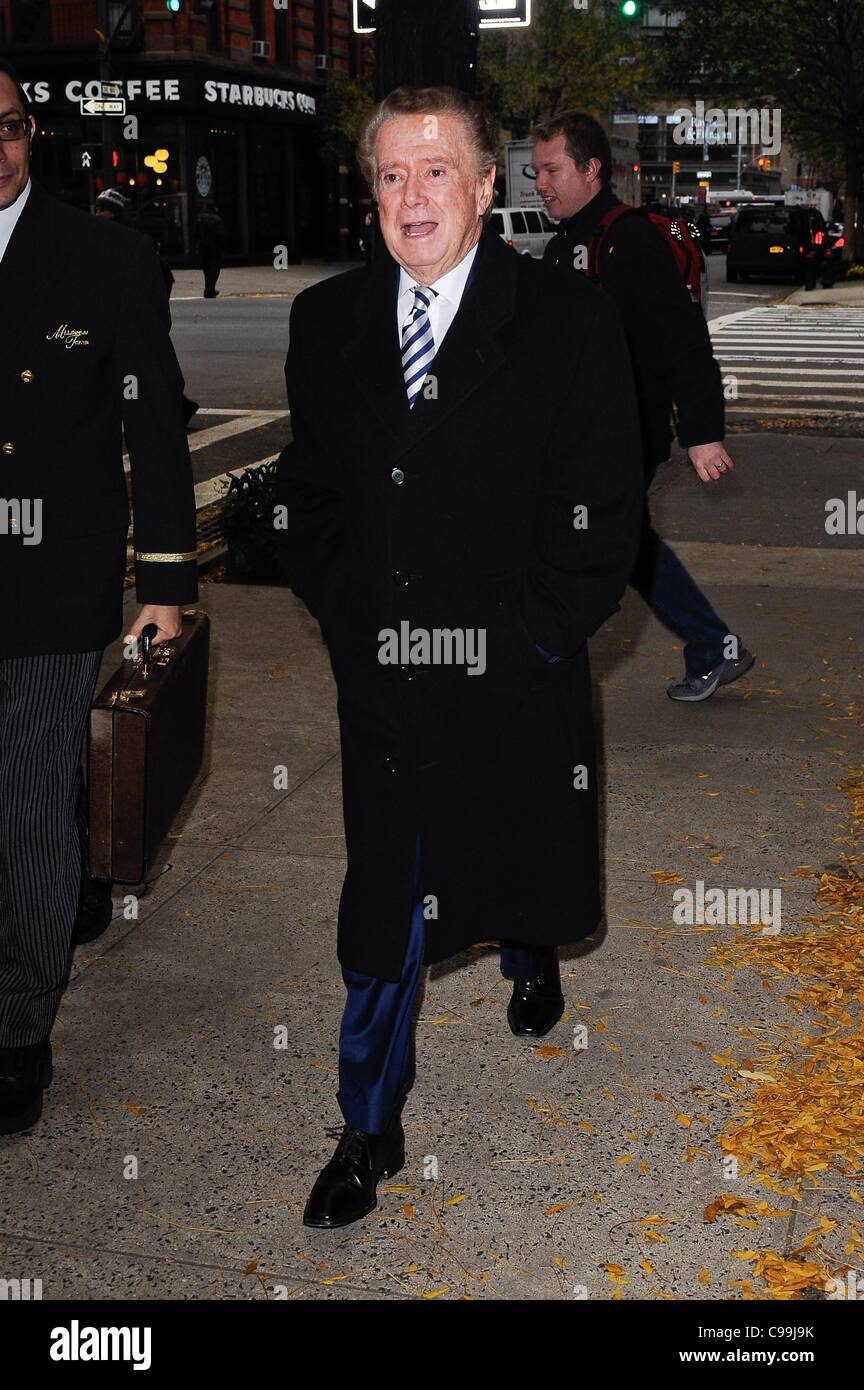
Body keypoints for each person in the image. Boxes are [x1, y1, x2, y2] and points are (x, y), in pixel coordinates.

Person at [275, 85, 643, 1229]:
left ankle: (529, 948)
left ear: (490, 186)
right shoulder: (325, 321)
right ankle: (367, 1124)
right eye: (391, 174)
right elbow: (311, 496)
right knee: (386, 905)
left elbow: (602, 518)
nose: (412, 195)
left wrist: (523, 638)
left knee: (517, 850)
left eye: (438, 170)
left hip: (511, 673)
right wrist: (345, 614)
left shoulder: (566, 322)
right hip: (386, 683)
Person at [0, 61, 198, 1134]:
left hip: (49, 579)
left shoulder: (107, 259)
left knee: (30, 798)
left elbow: (153, 428)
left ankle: (19, 1024)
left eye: (9, 128)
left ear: (32, 134)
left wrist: (165, 581)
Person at [534, 113, 755, 702]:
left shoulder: (627, 238)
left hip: (622, 434)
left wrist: (703, 432)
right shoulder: (564, 244)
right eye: (536, 173)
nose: (541, 184)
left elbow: (683, 338)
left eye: (552, 170)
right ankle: (712, 645)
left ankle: (544, 654)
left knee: (599, 544)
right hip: (579, 434)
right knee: (625, 544)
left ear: (591, 169)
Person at [195, 201, 225, 298]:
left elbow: (195, 233)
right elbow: (220, 235)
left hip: (203, 246)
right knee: (214, 269)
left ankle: (209, 289)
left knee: (206, 269)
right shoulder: (217, 219)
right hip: (214, 247)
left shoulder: (200, 218)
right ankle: (209, 289)